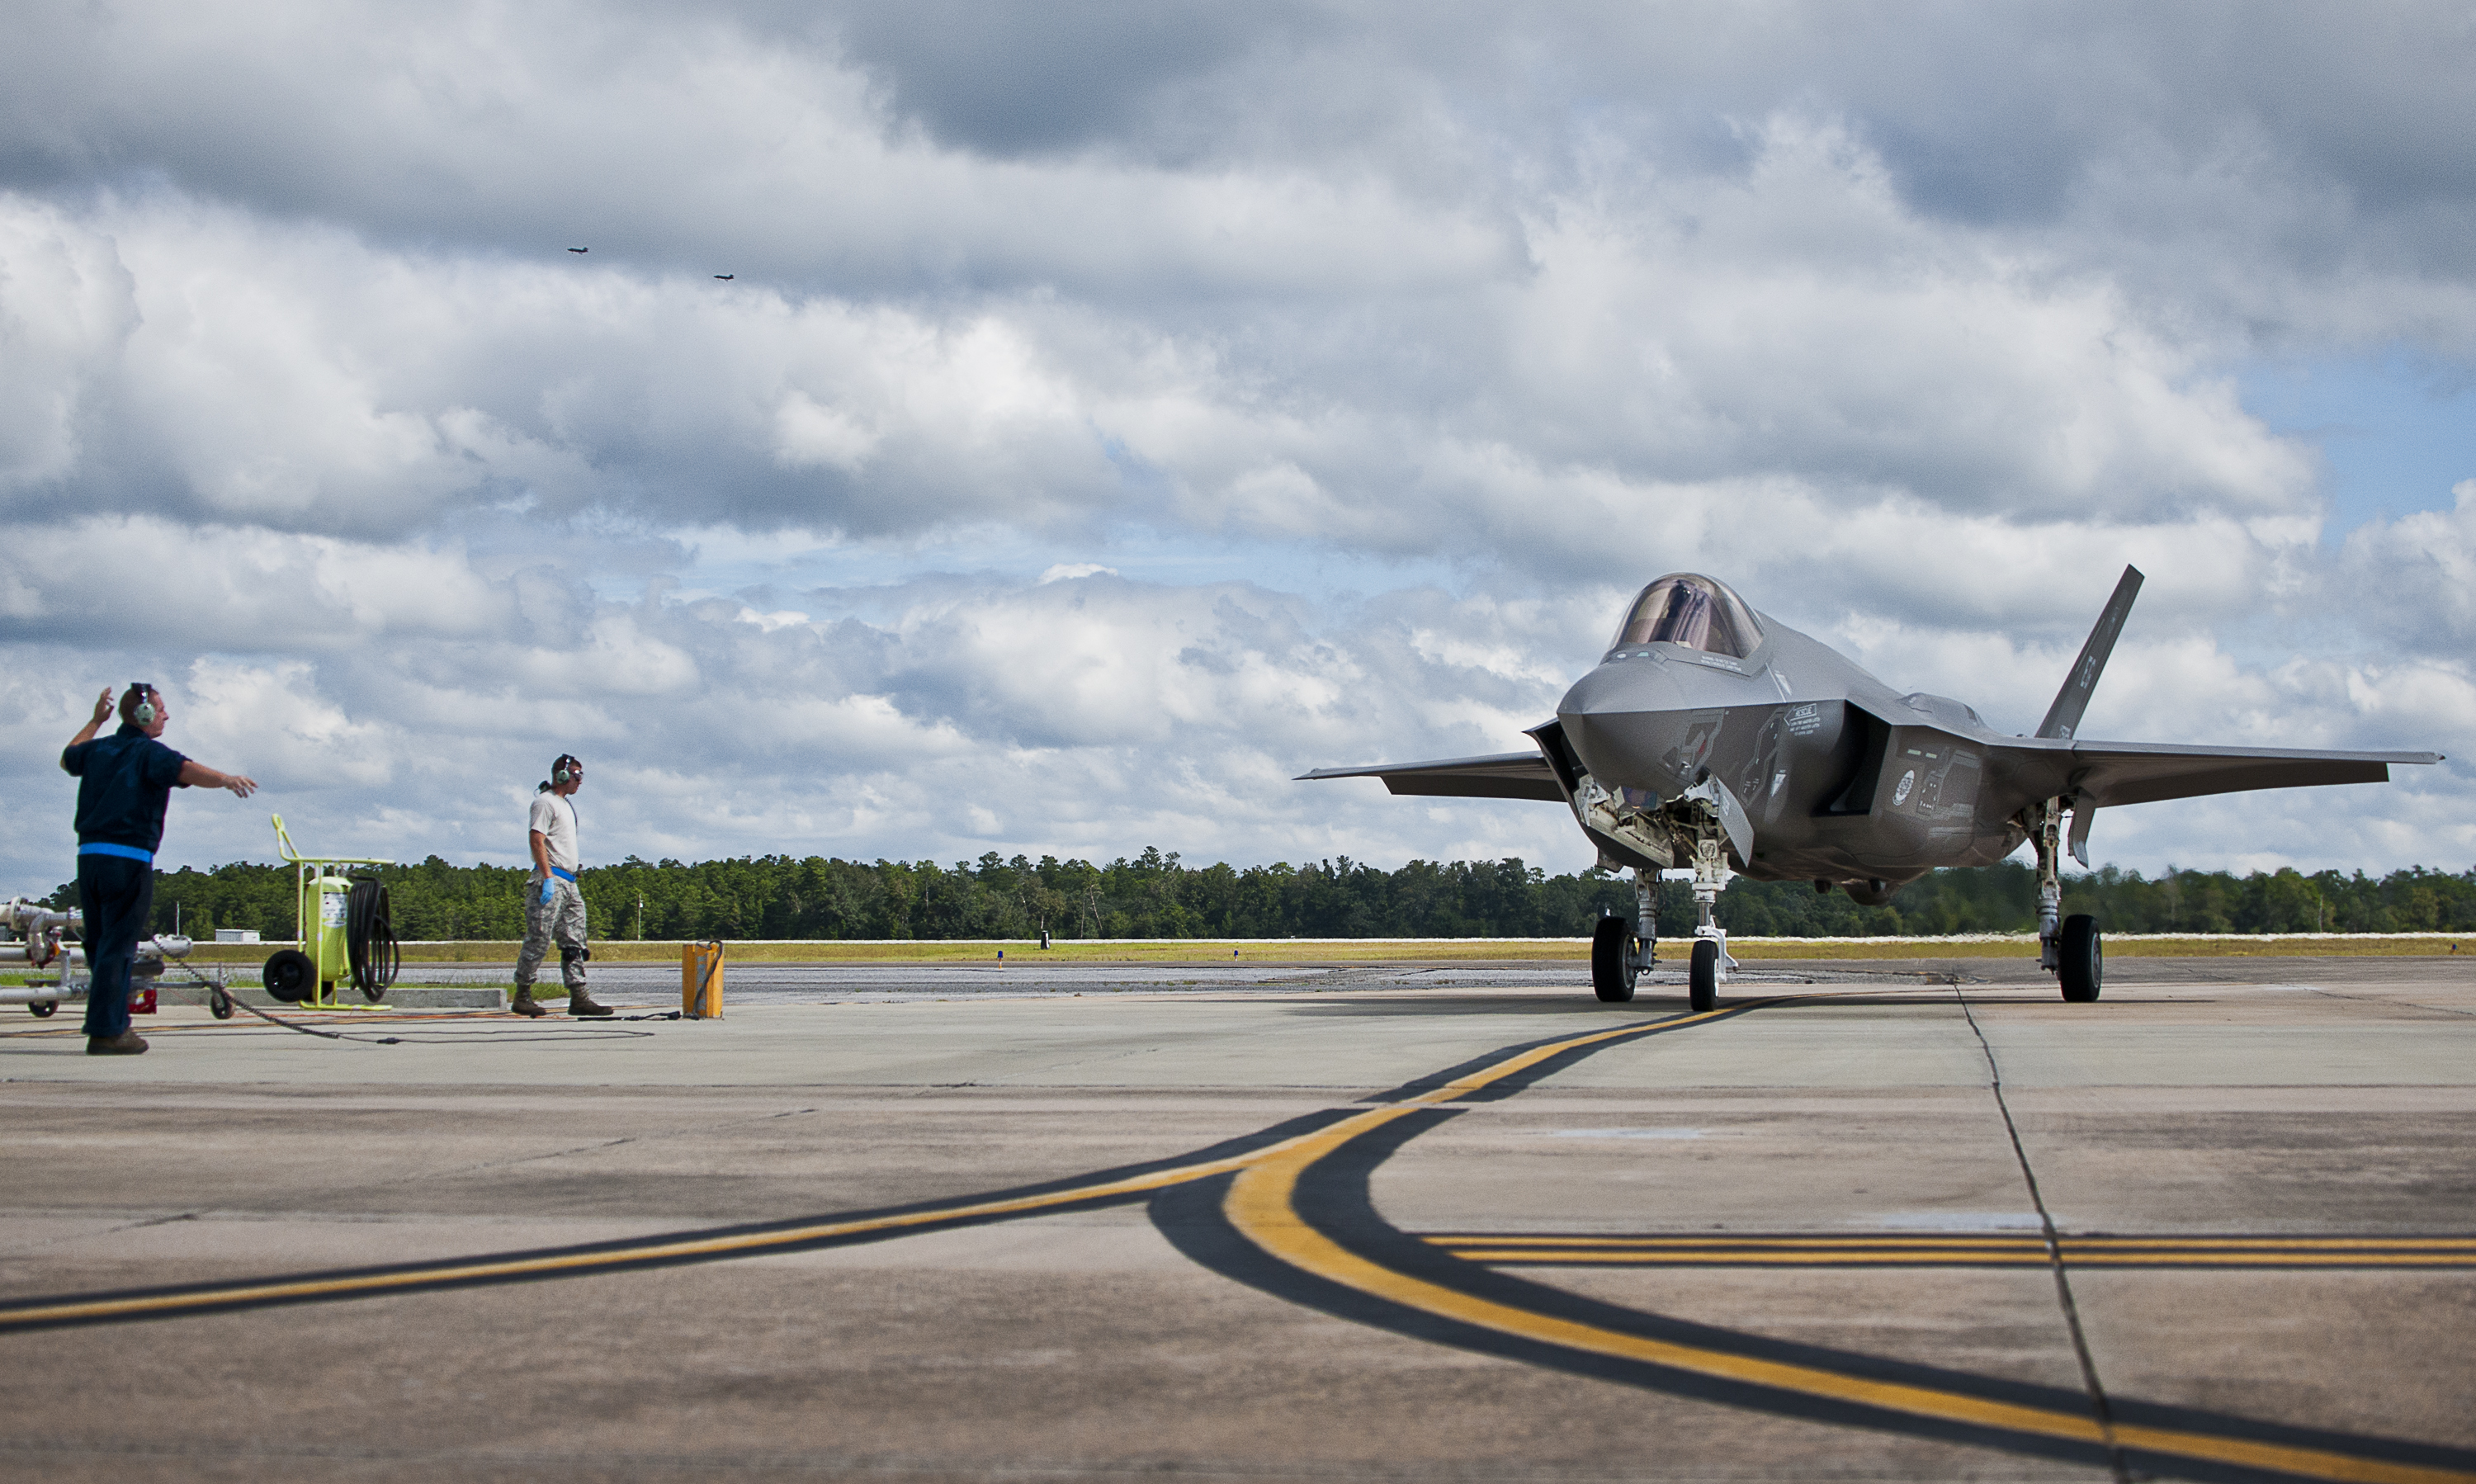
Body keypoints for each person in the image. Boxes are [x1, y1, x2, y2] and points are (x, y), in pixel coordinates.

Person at [60, 684, 257, 1055]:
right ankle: (108, 1031)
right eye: (162, 710)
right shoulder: (148, 753)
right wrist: (227, 779)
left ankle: (109, 1022)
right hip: (127, 859)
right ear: (146, 716)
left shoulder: (98, 749)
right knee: (118, 946)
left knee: (100, 945)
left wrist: (95, 721)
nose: (167, 716)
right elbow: (186, 769)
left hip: (88, 860)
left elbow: (68, 757)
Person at [513, 753, 610, 1018]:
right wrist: (546, 877)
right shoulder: (544, 803)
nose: (580, 781)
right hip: (551, 879)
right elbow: (536, 839)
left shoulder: (566, 805)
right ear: (563, 776)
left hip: (570, 882)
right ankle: (522, 994)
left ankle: (578, 996)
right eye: (577, 775)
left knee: (574, 943)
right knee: (539, 939)